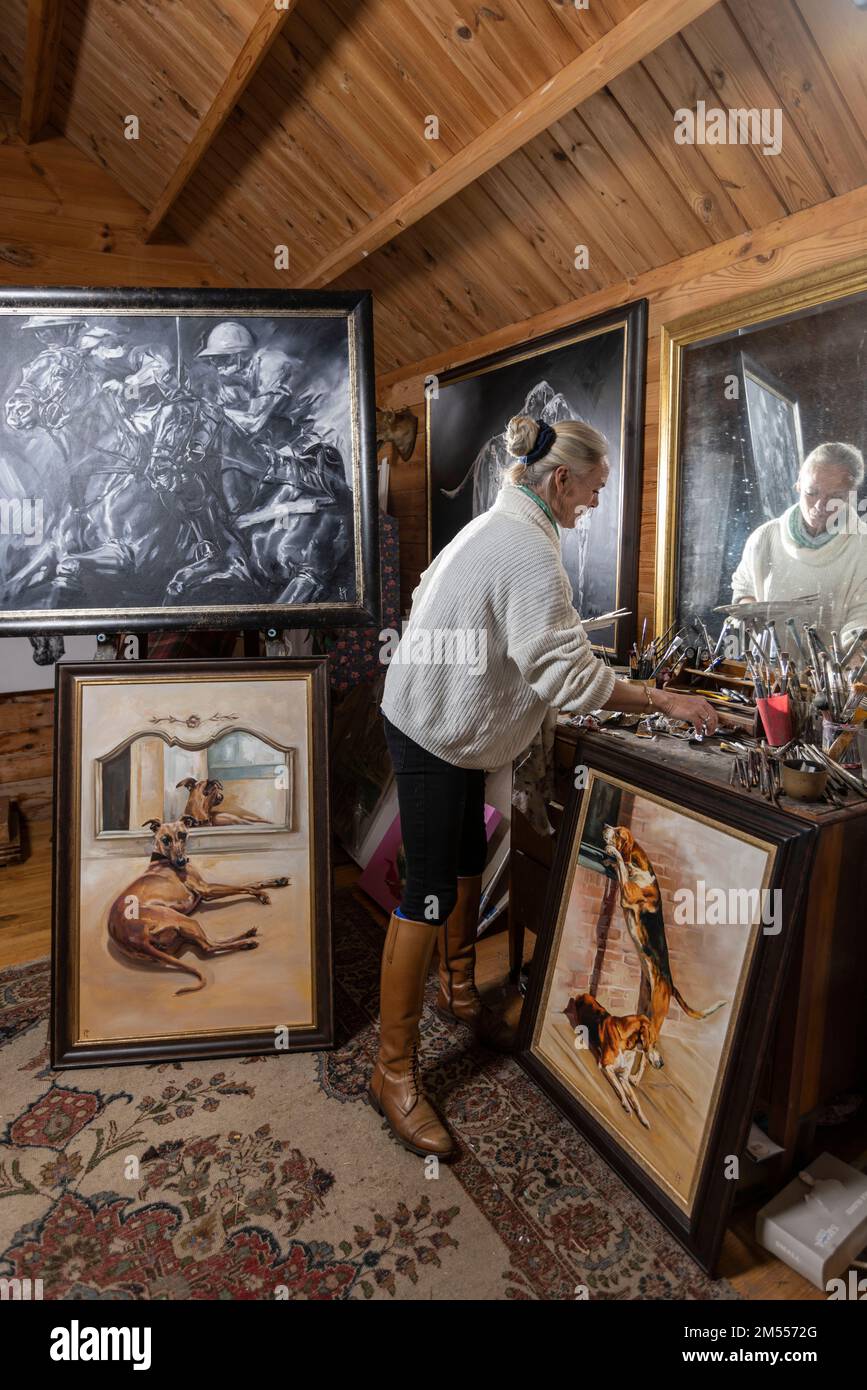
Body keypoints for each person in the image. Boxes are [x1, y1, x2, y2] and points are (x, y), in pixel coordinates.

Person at [370, 413, 718, 1158]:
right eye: (592, 489)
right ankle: (391, 1071)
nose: (593, 502)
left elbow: (469, 609)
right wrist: (660, 699)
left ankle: (458, 991)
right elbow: (564, 675)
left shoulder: (500, 523)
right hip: (433, 726)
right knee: (428, 888)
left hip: (440, 713)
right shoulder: (527, 548)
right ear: (559, 480)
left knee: (467, 856)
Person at [731, 442, 867, 645]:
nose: (821, 505)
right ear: (798, 484)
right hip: (769, 669)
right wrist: (749, 610)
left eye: (835, 497)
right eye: (812, 492)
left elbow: (863, 617)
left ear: (851, 495)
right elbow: (744, 586)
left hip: (837, 671)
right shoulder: (765, 536)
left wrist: (849, 660)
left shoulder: (862, 546)